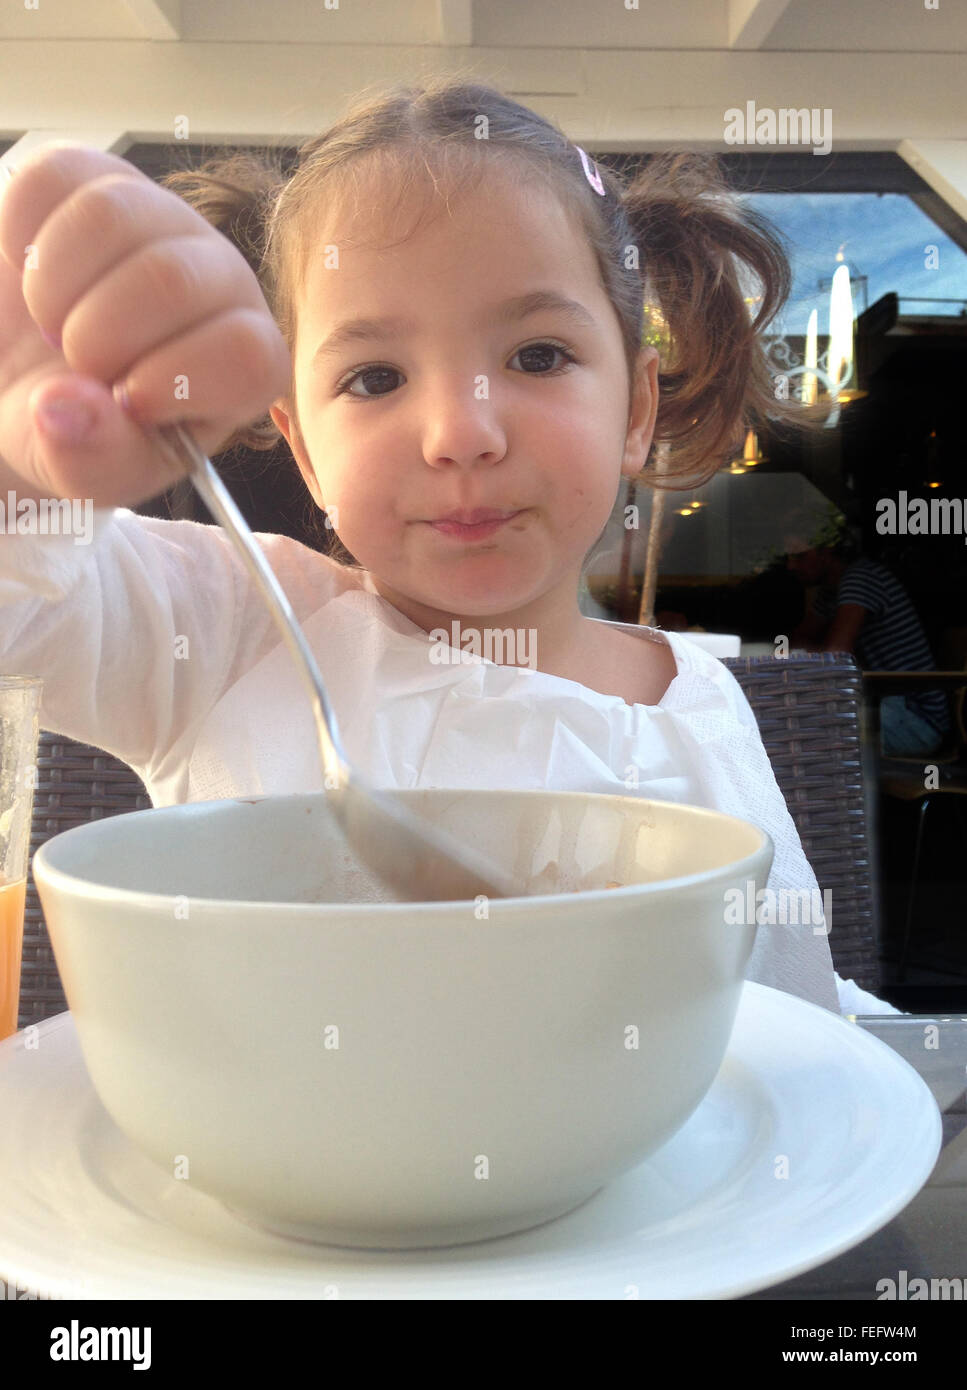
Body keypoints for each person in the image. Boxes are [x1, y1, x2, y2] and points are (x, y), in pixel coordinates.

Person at [0, 77, 897, 1016]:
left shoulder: (701, 701)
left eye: (537, 356)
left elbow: (784, 1017)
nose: (458, 433)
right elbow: (27, 604)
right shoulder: (231, 636)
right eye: (375, 376)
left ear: (635, 410)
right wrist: (28, 465)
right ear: (303, 450)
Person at [785, 532, 951, 757]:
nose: (790, 566)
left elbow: (835, 657)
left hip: (916, 719)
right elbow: (796, 643)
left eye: (800, 556)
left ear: (828, 552)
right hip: (885, 705)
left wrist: (803, 656)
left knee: (807, 735)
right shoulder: (830, 593)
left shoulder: (860, 578)